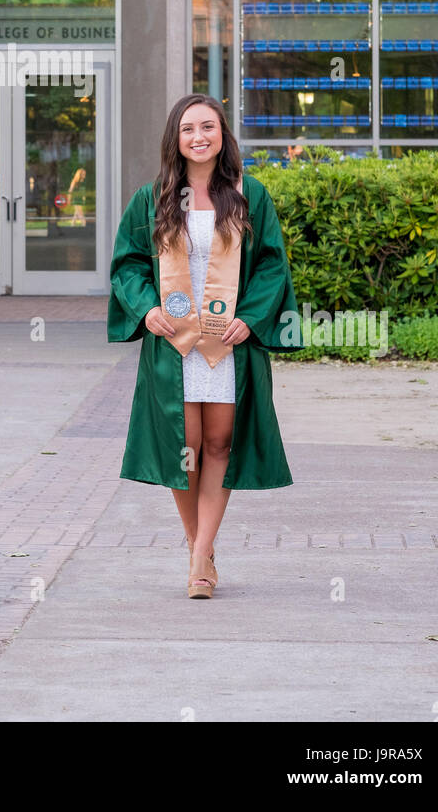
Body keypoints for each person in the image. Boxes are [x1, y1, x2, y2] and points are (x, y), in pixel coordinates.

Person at [107, 94, 300, 599]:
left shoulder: (249, 195)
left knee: (220, 444)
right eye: (188, 128)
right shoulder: (151, 199)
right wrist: (146, 308)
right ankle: (202, 549)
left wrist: (252, 318)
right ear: (176, 137)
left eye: (208, 127)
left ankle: (199, 557)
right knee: (184, 446)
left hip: (228, 342)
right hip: (174, 342)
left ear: (222, 135)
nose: (199, 136)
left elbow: (272, 265)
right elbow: (127, 263)